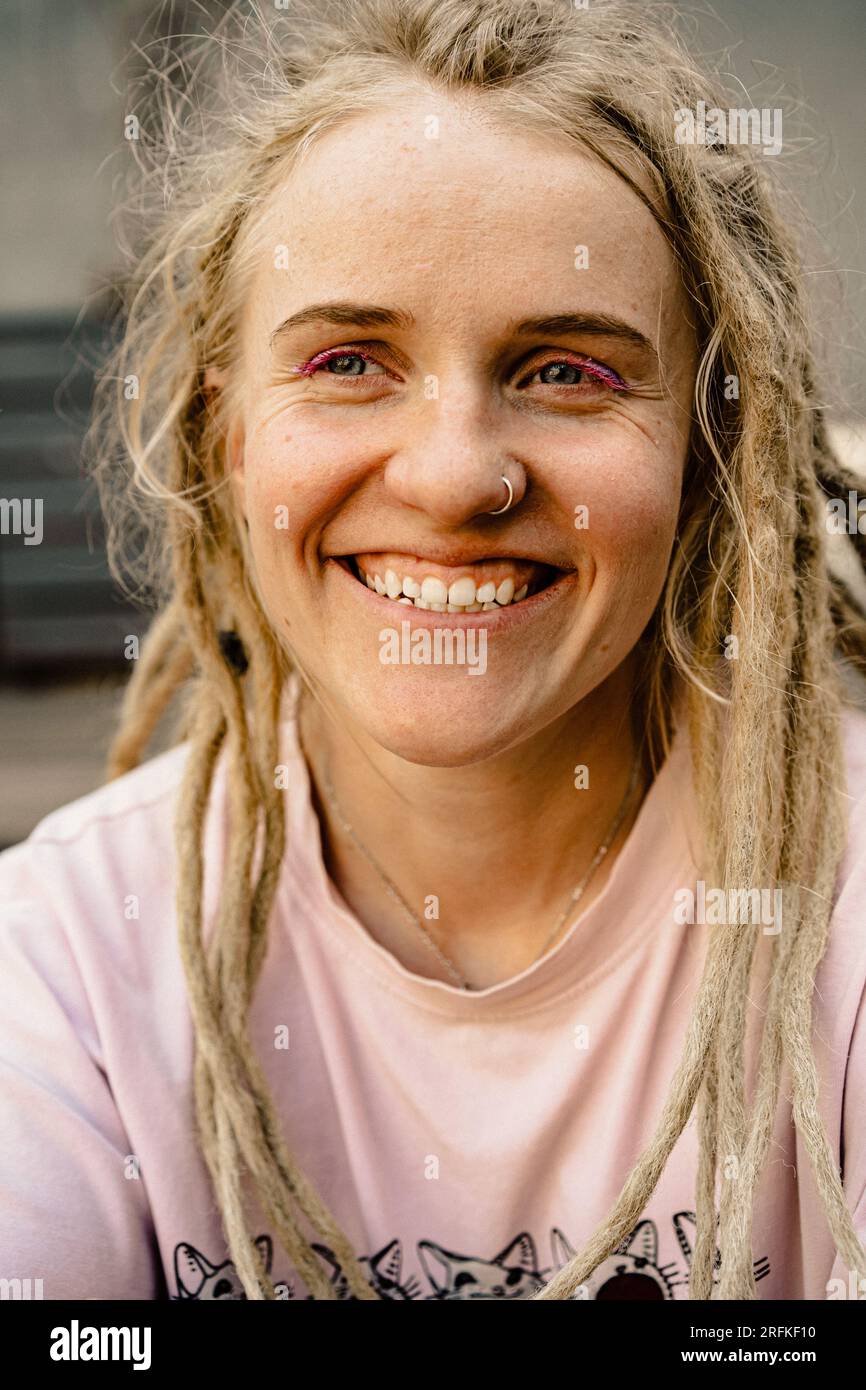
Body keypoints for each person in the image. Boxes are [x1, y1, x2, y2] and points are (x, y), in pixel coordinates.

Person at [1, 0, 866, 1301]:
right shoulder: (65, 961)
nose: (457, 473)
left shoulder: (842, 919)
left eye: (568, 370)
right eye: (349, 359)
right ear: (221, 429)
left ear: (704, 456)